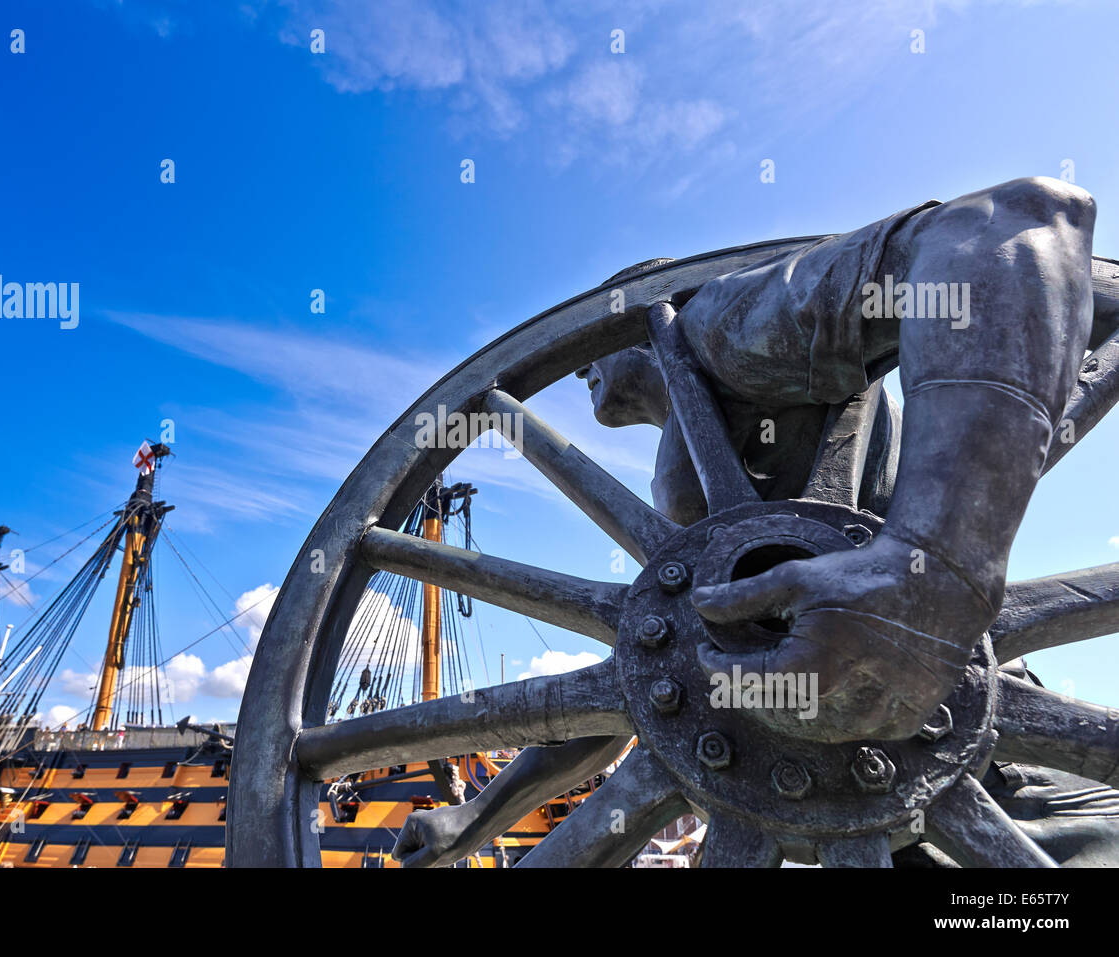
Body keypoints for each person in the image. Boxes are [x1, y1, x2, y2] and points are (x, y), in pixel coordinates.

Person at [394, 177, 1113, 867]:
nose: (586, 365)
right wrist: (477, 816)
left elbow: (1007, 227)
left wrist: (936, 570)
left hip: (999, 783)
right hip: (895, 799)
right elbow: (655, 676)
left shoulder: (719, 329)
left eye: (603, 342)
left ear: (644, 327)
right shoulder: (697, 437)